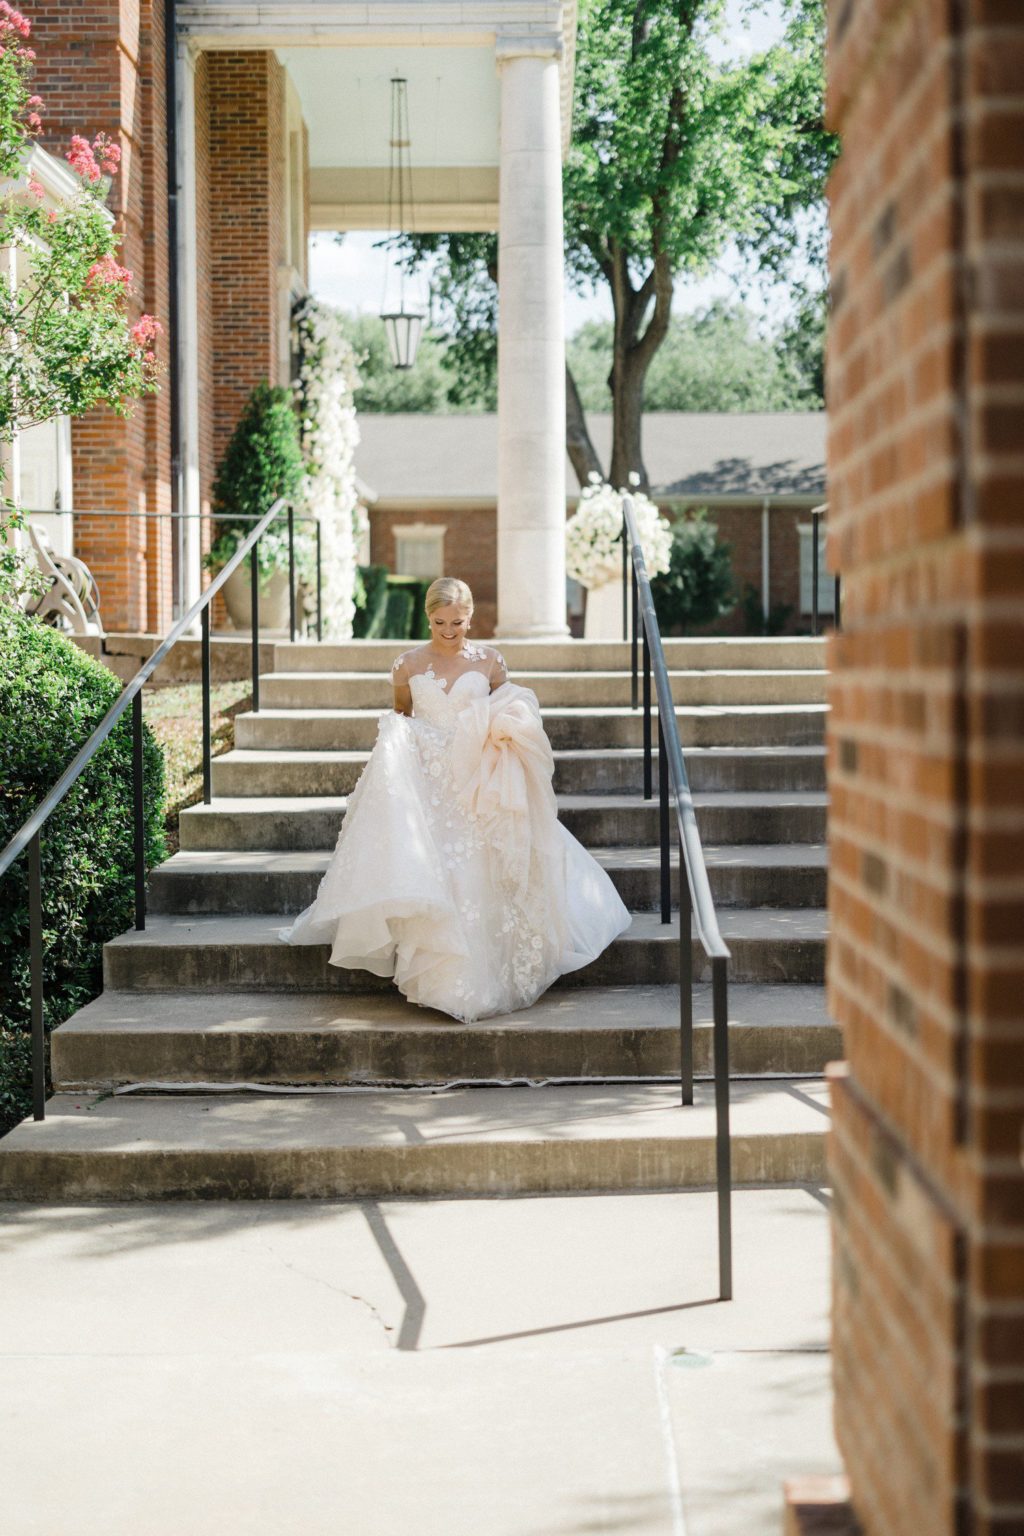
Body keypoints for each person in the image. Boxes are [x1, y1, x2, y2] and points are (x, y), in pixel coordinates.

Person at [280, 577, 631, 1022]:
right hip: (429, 779)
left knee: (485, 866)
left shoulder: (490, 662)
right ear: (428, 617)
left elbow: (513, 708)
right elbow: (402, 718)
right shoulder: (406, 665)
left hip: (479, 777)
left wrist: (503, 733)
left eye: (459, 623)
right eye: (440, 622)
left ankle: (487, 973)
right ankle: (441, 976)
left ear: (471, 618)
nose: (449, 630)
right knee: (437, 870)